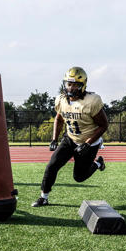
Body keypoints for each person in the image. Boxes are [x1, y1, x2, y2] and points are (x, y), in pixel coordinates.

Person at [31, 67, 107, 207]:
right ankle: (43, 197)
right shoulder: (61, 100)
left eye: (75, 85)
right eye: (69, 84)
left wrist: (88, 143)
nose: (71, 88)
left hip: (89, 142)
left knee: (79, 177)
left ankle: (98, 163)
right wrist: (54, 139)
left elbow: (103, 125)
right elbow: (59, 119)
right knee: (52, 166)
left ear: (83, 85)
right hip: (70, 138)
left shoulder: (91, 101)